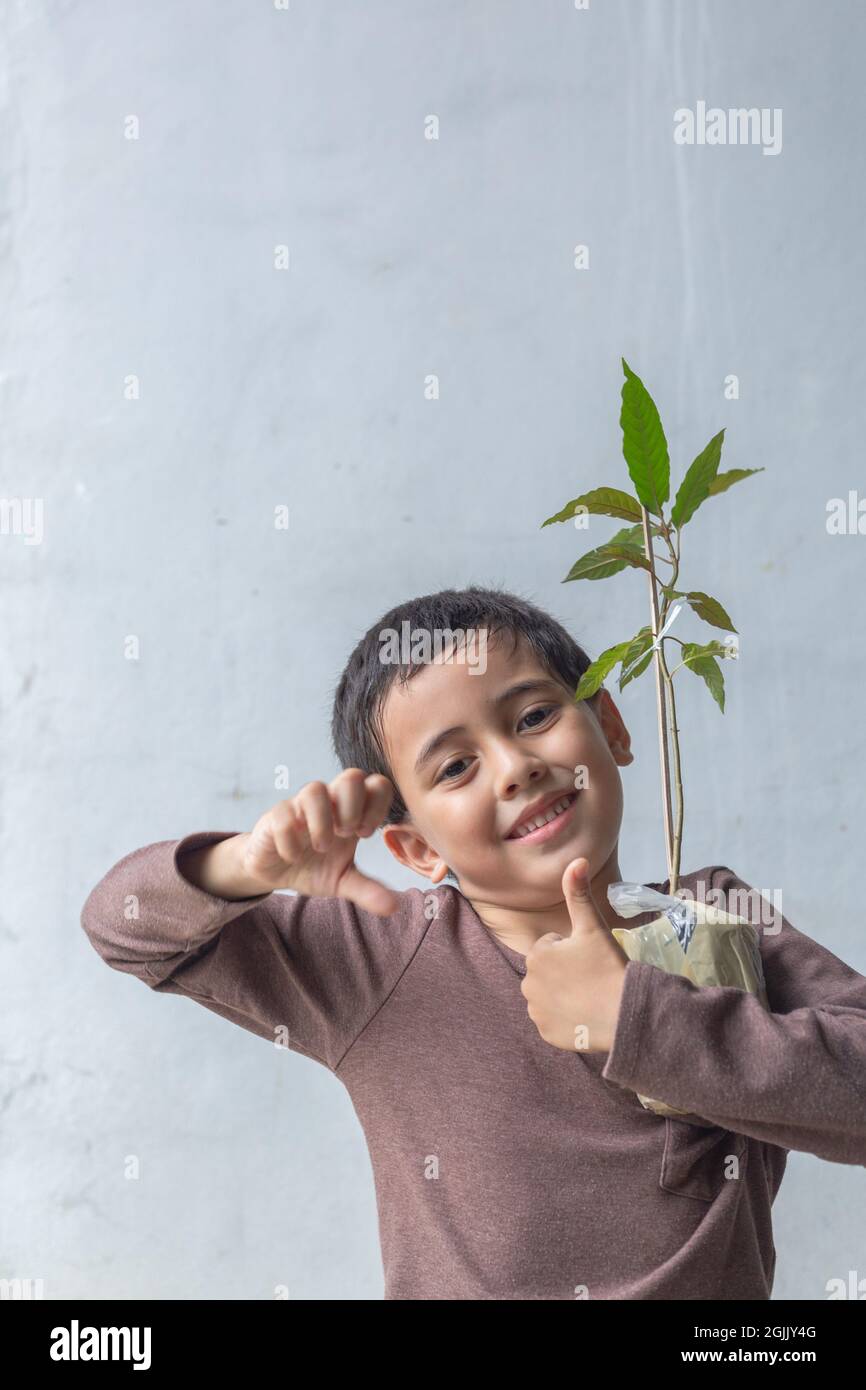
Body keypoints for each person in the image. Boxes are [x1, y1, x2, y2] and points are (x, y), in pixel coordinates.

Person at [80, 585, 866, 1299]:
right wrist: (243, 866)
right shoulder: (382, 958)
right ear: (418, 850)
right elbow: (125, 928)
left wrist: (639, 1016)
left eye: (533, 717)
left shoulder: (716, 919)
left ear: (613, 726)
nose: (516, 766)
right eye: (456, 766)